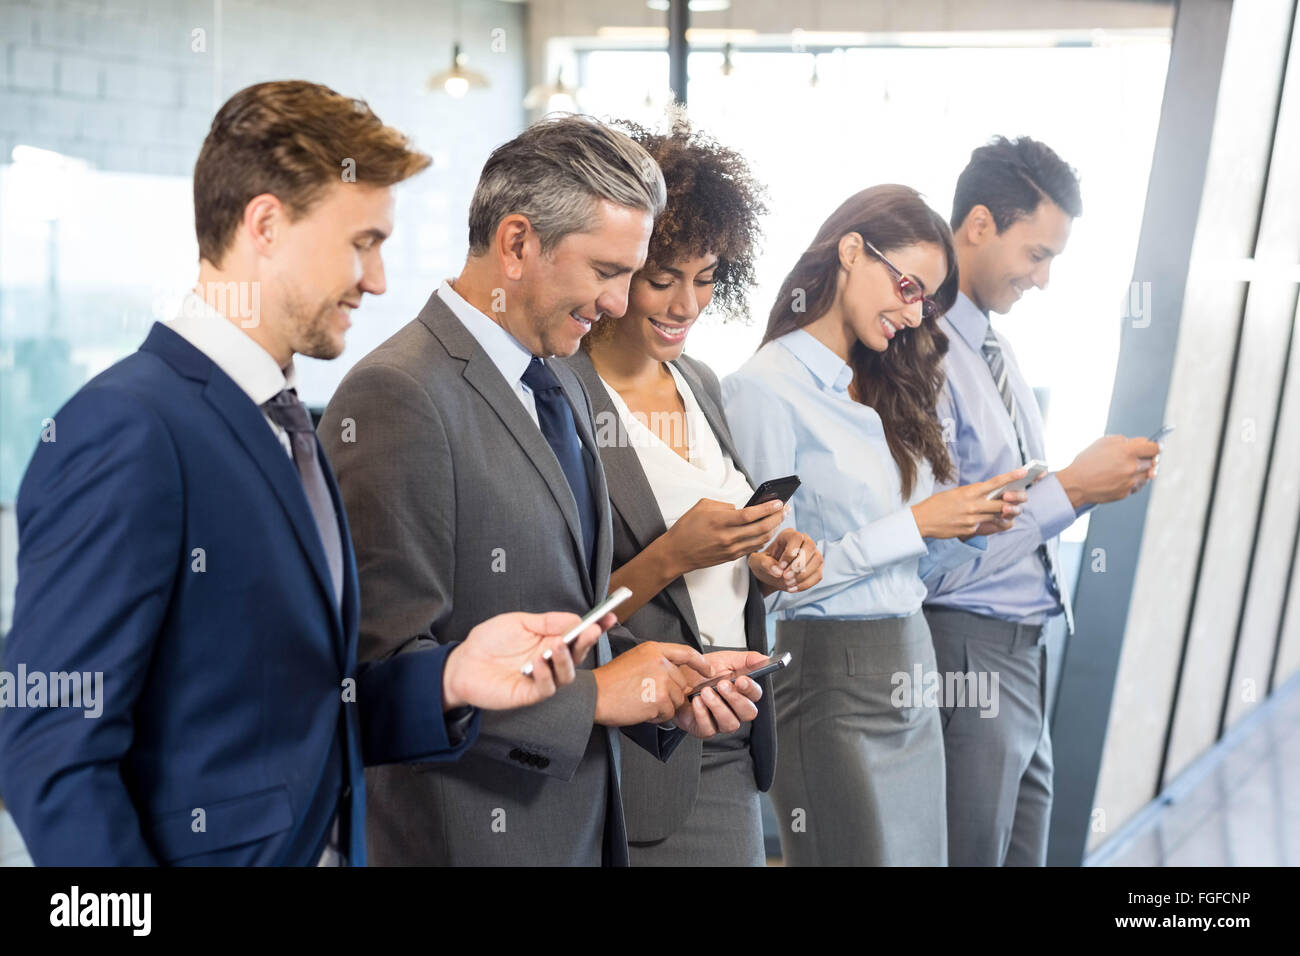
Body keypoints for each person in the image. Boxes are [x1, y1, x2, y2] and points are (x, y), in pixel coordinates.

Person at [0, 81, 607, 867]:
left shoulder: (291, 427)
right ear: (265, 224)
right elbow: (51, 751)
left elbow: (306, 710)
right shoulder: (129, 427)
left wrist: (453, 677)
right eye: (362, 241)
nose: (378, 279)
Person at [319, 114, 763, 867]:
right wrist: (597, 697)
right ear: (518, 243)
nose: (622, 305)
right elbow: (385, 675)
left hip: (579, 827)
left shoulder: (554, 378)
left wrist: (660, 677)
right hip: (465, 838)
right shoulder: (399, 394)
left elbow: (564, 614)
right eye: (607, 272)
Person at [723, 184, 1031, 866]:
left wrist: (966, 527)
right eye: (908, 286)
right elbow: (779, 580)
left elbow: (899, 568)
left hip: (910, 660)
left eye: (926, 299)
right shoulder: (762, 389)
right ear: (852, 250)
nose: (915, 312)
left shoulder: (883, 384)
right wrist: (917, 522)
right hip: (829, 679)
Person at [562, 114, 825, 866]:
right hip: (643, 743)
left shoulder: (701, 384)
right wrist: (674, 554)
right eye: (662, 278)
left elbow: (726, 569)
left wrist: (772, 560)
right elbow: (564, 611)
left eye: (706, 279)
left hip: (735, 730)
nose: (686, 305)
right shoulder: (564, 395)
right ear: (619, 269)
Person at [922, 136, 1160, 866]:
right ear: (981, 225)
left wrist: (1080, 487)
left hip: (1027, 650)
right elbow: (942, 552)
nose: (1045, 279)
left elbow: (1006, 502)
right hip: (968, 643)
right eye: (1037, 254)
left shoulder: (994, 348)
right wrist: (1076, 488)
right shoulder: (923, 355)